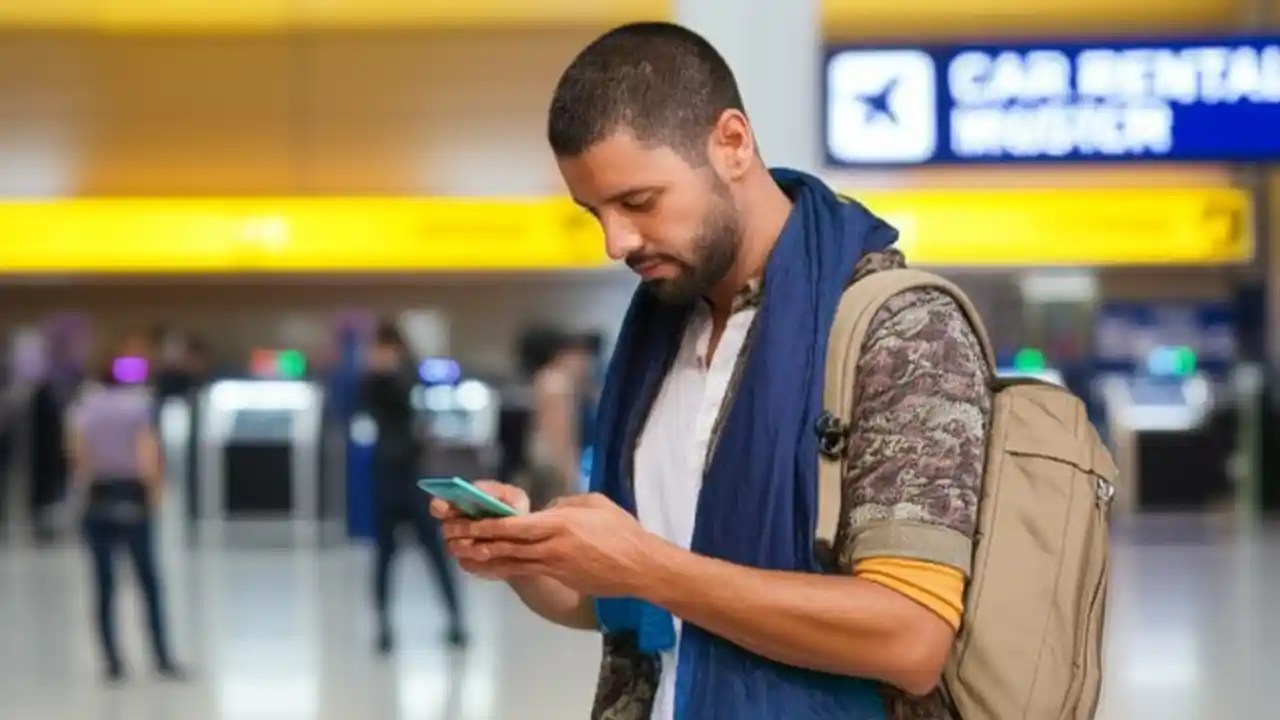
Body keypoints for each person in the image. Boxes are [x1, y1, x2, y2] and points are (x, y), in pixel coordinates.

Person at [434, 22, 992, 720]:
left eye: (638, 202)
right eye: (594, 213)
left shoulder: (900, 330)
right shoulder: (660, 338)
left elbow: (909, 636)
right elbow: (636, 609)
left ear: (732, 143)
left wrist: (643, 563)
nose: (616, 242)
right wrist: (529, 558)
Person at [67, 344, 183, 683]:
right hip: (132, 493)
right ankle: (161, 657)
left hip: (98, 494)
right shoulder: (139, 408)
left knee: (104, 583)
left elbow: (78, 457)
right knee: (148, 581)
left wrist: (83, 496)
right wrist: (156, 495)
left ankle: (113, 661)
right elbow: (148, 454)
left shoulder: (84, 409)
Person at [361, 320, 466, 653]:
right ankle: (383, 625)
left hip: (410, 477)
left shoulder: (407, 377)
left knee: (433, 552)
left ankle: (455, 620)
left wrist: (390, 372)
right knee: (384, 557)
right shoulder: (371, 381)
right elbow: (359, 404)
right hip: (386, 476)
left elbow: (410, 398)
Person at [518, 328, 595, 509]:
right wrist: (571, 480)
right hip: (551, 470)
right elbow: (559, 436)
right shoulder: (557, 382)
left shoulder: (545, 378)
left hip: (540, 463)